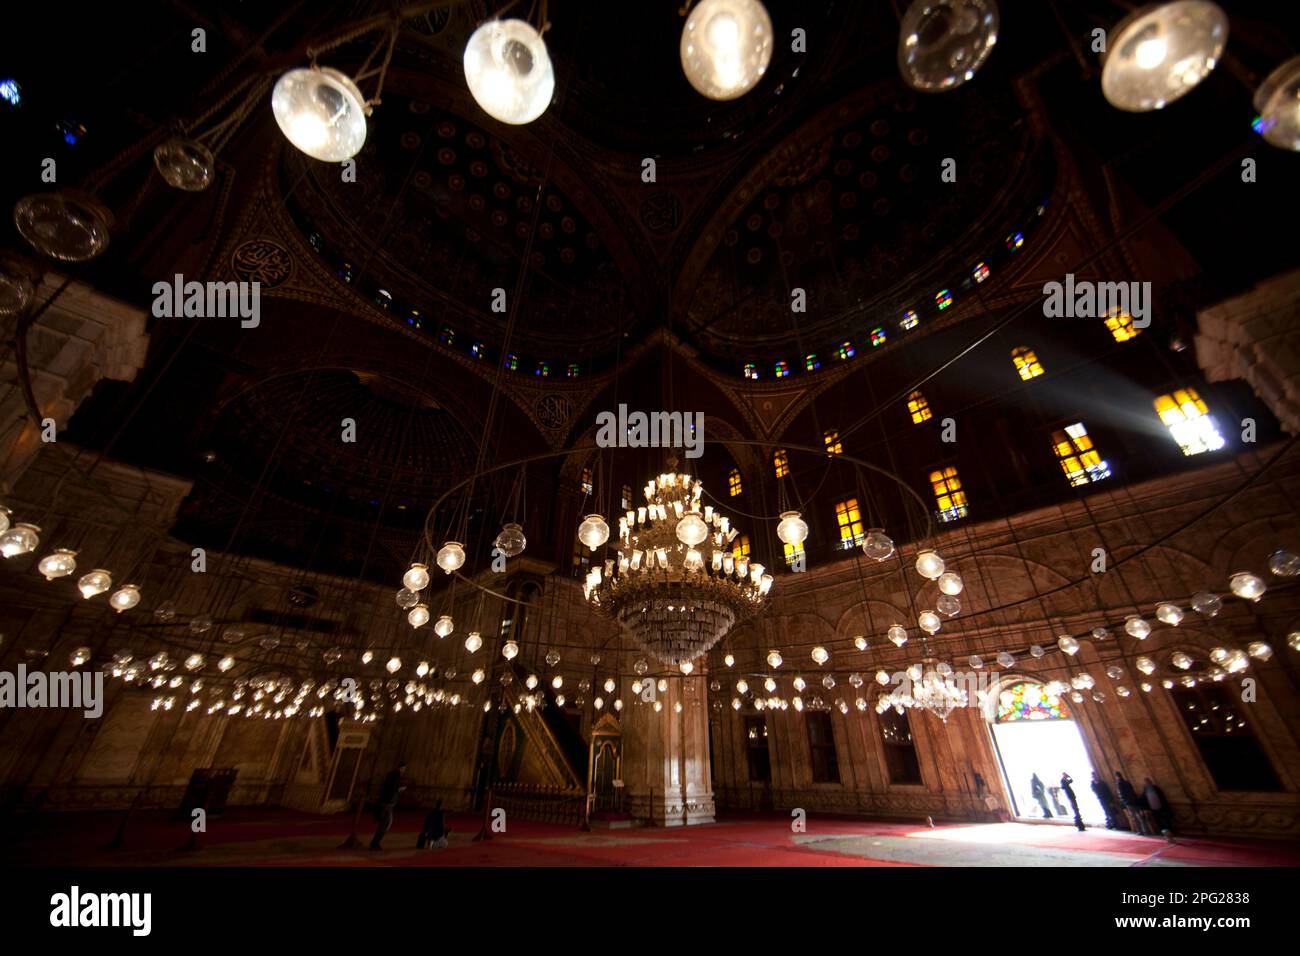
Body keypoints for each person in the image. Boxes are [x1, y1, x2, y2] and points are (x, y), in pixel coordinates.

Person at [370, 761, 407, 850]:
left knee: (384, 823)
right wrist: (399, 790)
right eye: (404, 769)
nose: (404, 771)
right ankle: (375, 843)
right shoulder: (396, 776)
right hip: (387, 804)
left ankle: (375, 842)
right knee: (386, 823)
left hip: (385, 803)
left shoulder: (391, 775)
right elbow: (392, 789)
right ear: (401, 768)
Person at [1114, 771, 1148, 835]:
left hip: (1129, 802)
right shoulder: (1127, 782)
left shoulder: (1119, 784)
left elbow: (1121, 794)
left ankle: (1140, 831)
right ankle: (1145, 830)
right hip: (1135, 801)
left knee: (1134, 817)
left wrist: (1124, 803)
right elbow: (1133, 791)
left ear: (1116, 777)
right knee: (1139, 816)